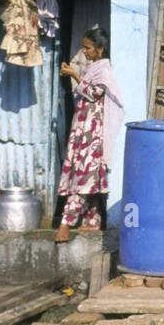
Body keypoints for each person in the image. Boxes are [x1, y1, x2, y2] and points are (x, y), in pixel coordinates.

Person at [55, 27, 123, 243]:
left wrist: (74, 74)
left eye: (88, 48)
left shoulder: (104, 71)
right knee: (86, 174)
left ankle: (65, 223)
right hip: (83, 128)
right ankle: (93, 218)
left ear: (100, 49)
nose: (84, 51)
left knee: (85, 174)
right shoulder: (94, 68)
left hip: (92, 132)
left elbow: (94, 94)